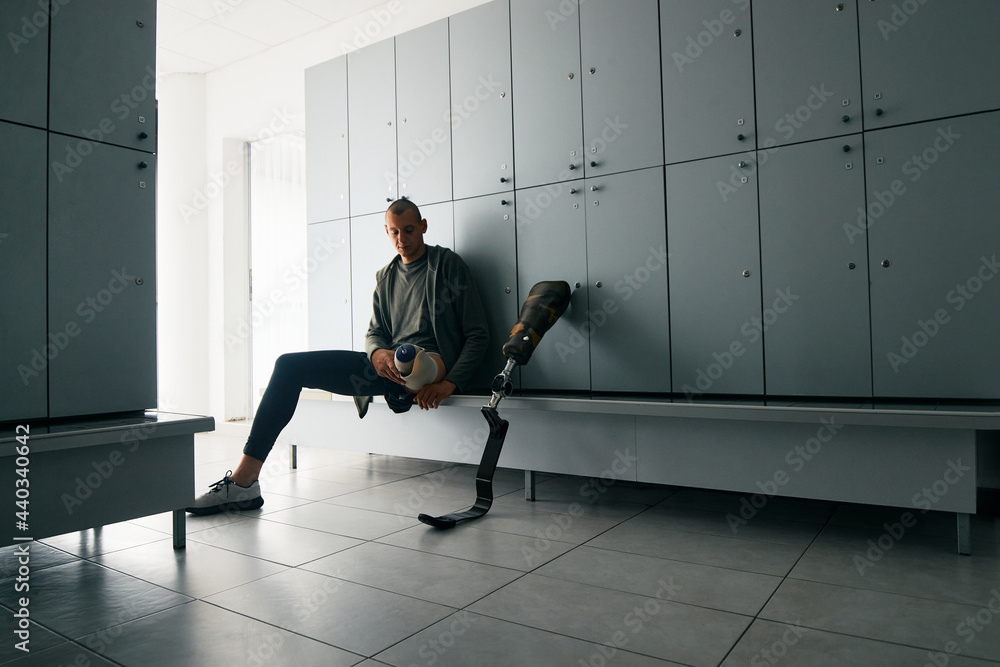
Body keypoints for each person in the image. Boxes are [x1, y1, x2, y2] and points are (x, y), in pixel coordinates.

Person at [187, 199, 490, 515]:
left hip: (431, 365)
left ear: (423, 226)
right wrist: (377, 354)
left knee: (411, 358)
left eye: (409, 230)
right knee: (288, 366)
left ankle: (412, 372)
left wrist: (450, 384)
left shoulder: (447, 265)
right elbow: (374, 333)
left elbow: (478, 335)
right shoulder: (385, 277)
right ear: (387, 232)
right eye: (394, 232)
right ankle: (244, 482)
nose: (402, 239)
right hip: (387, 372)